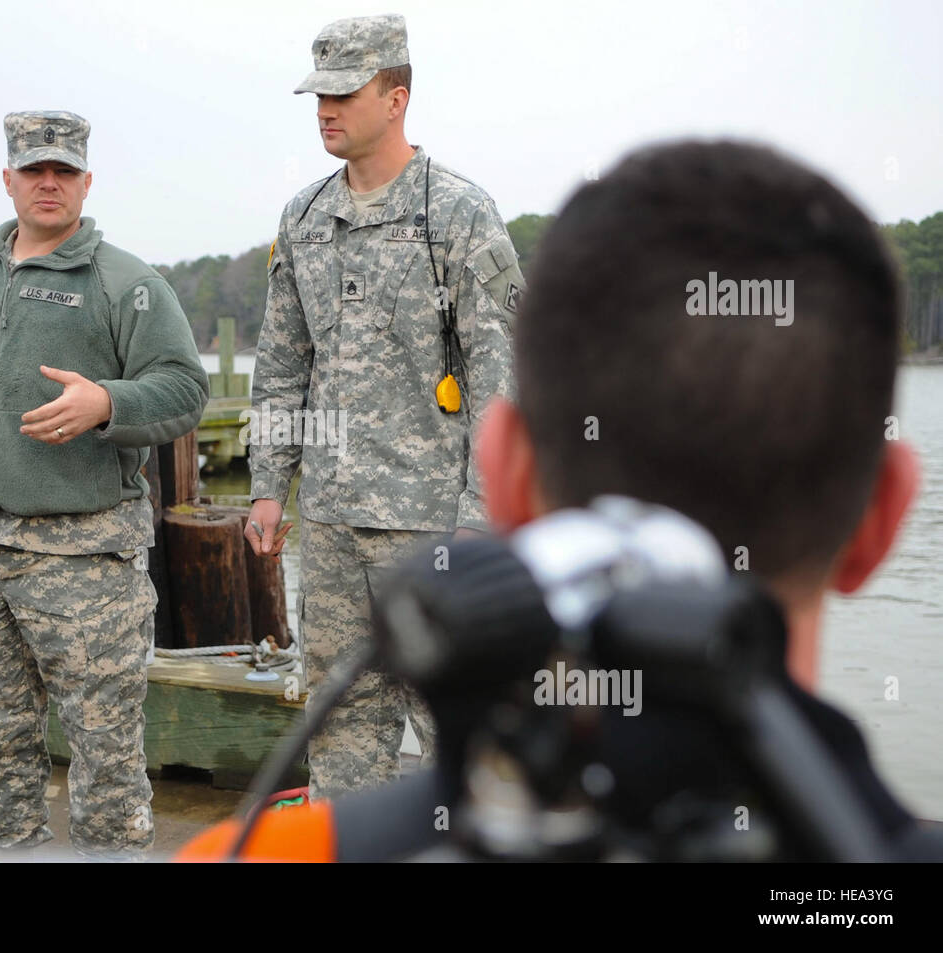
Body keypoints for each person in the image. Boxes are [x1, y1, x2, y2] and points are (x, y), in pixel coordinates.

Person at [182, 139, 938, 862]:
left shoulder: (257, 856)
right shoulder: (307, 217)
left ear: (507, 474)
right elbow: (284, 360)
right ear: (883, 517)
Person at [0, 111, 209, 857]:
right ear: (8, 179)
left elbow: (184, 388)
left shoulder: (127, 282)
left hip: (82, 557)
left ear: (86, 182)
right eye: (33, 170)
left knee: (105, 753)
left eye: (63, 171)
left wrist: (107, 404)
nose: (47, 182)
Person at [245, 14, 523, 798]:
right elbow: (280, 368)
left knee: (460, 732)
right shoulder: (303, 218)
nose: (325, 109)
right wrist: (270, 486)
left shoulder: (461, 214)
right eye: (317, 94)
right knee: (341, 731)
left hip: (434, 525)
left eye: (343, 92)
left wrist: (480, 521)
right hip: (331, 527)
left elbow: (505, 383)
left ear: (396, 96)